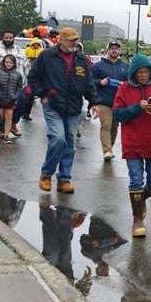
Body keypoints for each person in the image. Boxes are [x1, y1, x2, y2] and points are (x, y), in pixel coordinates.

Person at [112, 54, 151, 237]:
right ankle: (138, 219)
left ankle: (139, 202)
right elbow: (118, 115)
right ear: (134, 72)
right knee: (135, 180)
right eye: (139, 72)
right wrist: (137, 107)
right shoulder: (124, 88)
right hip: (133, 141)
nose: (143, 75)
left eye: (146, 71)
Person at [27, 26, 97, 194]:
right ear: (62, 40)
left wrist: (94, 102)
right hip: (53, 104)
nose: (75, 43)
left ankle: (64, 179)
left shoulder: (81, 59)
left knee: (70, 143)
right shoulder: (47, 56)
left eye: (76, 40)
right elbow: (33, 78)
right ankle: (46, 174)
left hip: (74, 106)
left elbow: (89, 82)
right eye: (71, 40)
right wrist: (42, 94)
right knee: (58, 138)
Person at [90, 41, 130, 161]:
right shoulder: (98, 66)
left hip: (119, 103)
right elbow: (89, 82)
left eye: (116, 49)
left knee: (114, 127)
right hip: (103, 101)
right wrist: (100, 82)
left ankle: (110, 147)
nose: (114, 50)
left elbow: (131, 83)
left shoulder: (126, 67)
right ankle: (106, 150)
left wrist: (125, 85)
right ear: (107, 51)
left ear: (119, 51)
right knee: (106, 125)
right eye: (111, 48)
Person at [0, 30, 28, 137]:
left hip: (17, 85)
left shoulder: (20, 51)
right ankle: (0, 128)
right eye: (6, 38)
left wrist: (27, 84)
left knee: (19, 107)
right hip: (0, 86)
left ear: (13, 38)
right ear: (2, 38)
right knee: (1, 111)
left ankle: (12, 124)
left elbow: (26, 67)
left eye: (10, 38)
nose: (8, 40)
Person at [0, 54, 24, 144]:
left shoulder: (18, 75)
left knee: (9, 118)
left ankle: (6, 135)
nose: (8, 64)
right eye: (7, 62)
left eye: (11, 62)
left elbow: (19, 87)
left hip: (11, 100)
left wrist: (15, 96)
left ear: (14, 64)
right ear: (3, 62)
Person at [21, 38, 45, 121]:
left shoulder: (41, 52)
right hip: (25, 84)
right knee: (25, 99)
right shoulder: (25, 61)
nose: (36, 46)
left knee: (30, 99)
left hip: (32, 85)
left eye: (37, 44)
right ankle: (23, 112)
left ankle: (26, 113)